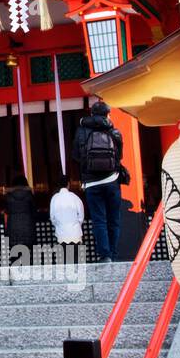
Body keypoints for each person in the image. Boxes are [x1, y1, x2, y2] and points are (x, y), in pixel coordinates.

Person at [73, 100, 125, 263]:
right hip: (112, 180)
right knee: (114, 219)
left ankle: (105, 256)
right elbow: (120, 156)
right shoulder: (114, 132)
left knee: (99, 219)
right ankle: (114, 254)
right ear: (108, 114)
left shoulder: (81, 132)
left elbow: (75, 155)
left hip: (92, 183)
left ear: (91, 114)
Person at [50, 182, 86, 263]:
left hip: (62, 235)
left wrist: (58, 226)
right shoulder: (75, 197)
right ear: (68, 184)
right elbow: (81, 216)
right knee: (77, 262)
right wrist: (77, 225)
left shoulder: (55, 198)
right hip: (75, 234)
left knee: (64, 262)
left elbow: (53, 218)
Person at [4, 174, 36, 263]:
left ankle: (16, 275)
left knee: (15, 258)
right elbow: (34, 212)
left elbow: (6, 211)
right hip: (28, 230)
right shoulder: (29, 195)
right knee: (28, 259)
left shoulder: (9, 197)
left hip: (13, 231)